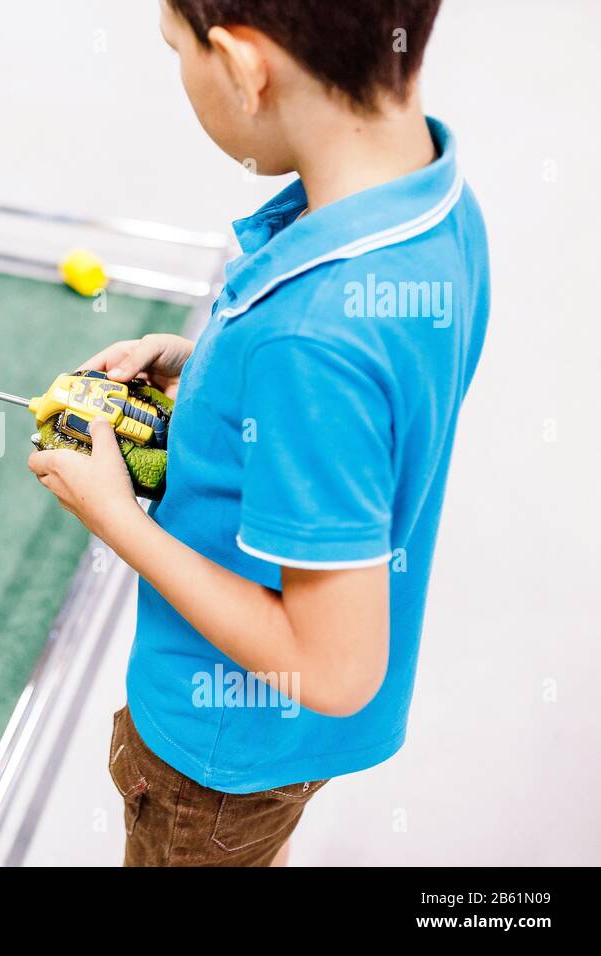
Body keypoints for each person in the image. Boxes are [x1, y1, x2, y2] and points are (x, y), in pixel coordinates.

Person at [28, 0, 488, 866]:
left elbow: (336, 670)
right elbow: (368, 408)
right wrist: (215, 376)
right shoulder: (439, 205)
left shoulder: (309, 339)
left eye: (176, 49)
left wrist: (117, 521)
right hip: (278, 748)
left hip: (218, 753)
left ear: (243, 66)